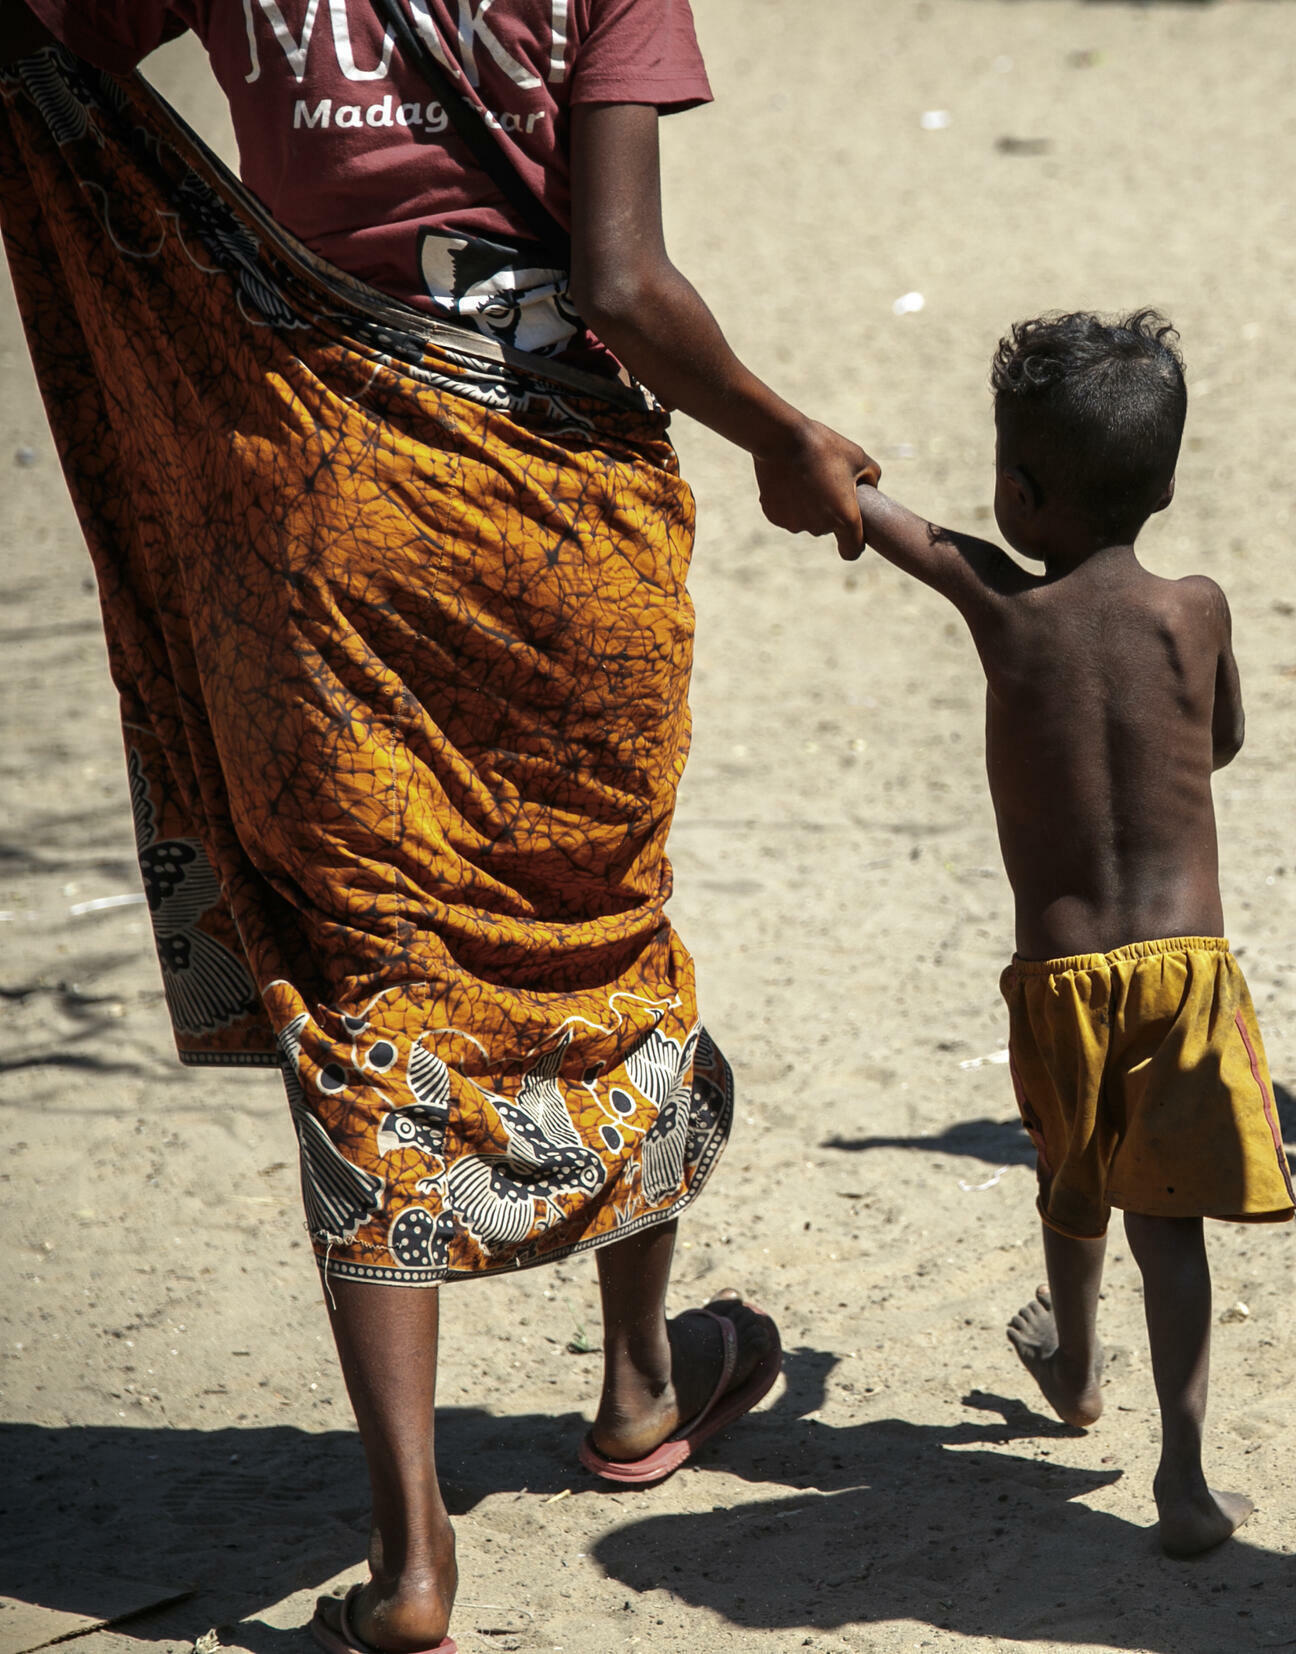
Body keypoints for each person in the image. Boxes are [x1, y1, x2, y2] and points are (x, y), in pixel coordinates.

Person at [0, 4, 876, 1651]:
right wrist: (785, 435)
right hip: (563, 507)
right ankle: (634, 1383)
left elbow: (56, 59)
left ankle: (412, 1566)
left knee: (375, 993)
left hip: (320, 506)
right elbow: (622, 287)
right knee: (597, 919)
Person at [851, 309, 1294, 1559]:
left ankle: (1077, 1368)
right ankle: (1188, 1475)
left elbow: (904, 533)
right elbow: (1222, 741)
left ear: (1016, 488)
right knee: (1173, 1225)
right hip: (1186, 970)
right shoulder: (1194, 610)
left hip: (1056, 976)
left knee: (1071, 1178)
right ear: (1162, 483)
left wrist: (815, 451)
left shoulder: (1004, 607)